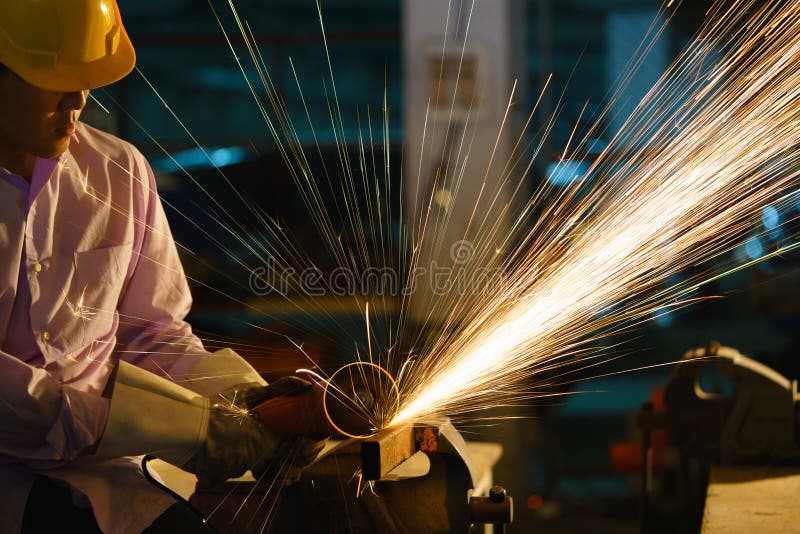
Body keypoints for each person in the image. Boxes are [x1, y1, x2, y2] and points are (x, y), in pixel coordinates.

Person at [0, 1, 321, 532]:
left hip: (106, 478)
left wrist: (241, 401)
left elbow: (153, 335)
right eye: (54, 77)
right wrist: (186, 430)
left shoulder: (119, 172)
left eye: (87, 77)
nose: (78, 97)